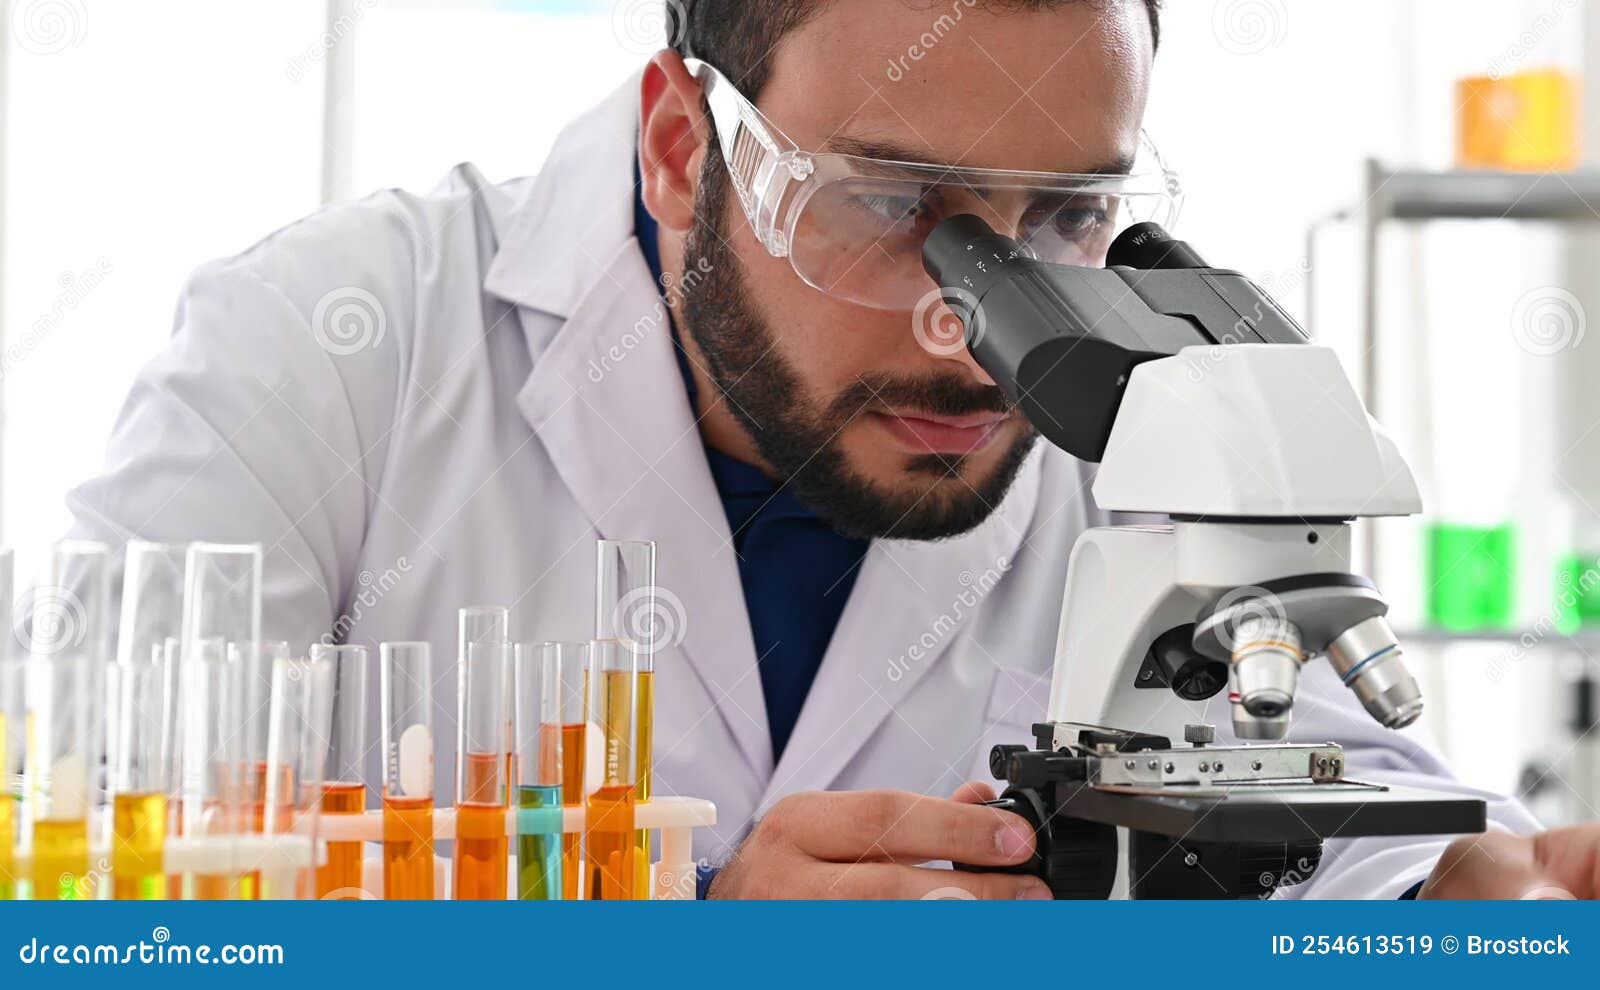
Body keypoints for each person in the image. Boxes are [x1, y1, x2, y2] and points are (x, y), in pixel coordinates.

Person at [65, 0, 1596, 898]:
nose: (974, 326)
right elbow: (78, 922)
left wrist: (1470, 893)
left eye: (1064, 213)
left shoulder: (1149, 406)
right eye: (889, 203)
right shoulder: (324, 355)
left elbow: (1368, 805)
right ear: (683, 146)